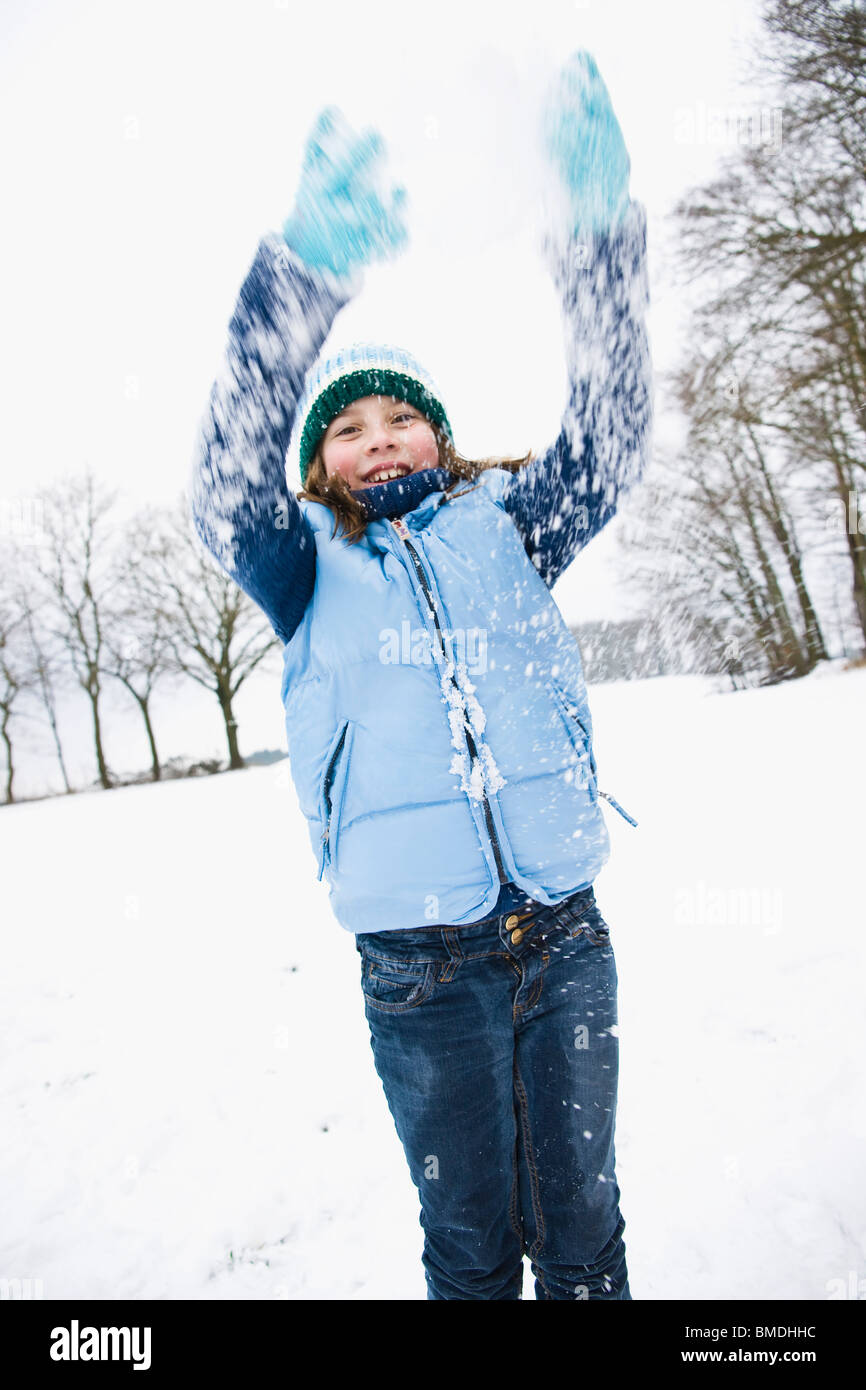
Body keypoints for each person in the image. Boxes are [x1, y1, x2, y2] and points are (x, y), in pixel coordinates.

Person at [190, 51, 652, 1300]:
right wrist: (301, 280)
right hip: (420, 967)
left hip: (564, 935)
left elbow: (613, 428)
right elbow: (222, 476)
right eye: (346, 423)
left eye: (400, 415)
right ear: (320, 463)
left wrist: (600, 245)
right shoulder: (302, 567)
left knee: (584, 1229)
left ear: (439, 434)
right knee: (466, 1250)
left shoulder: (510, 523)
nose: (379, 434)